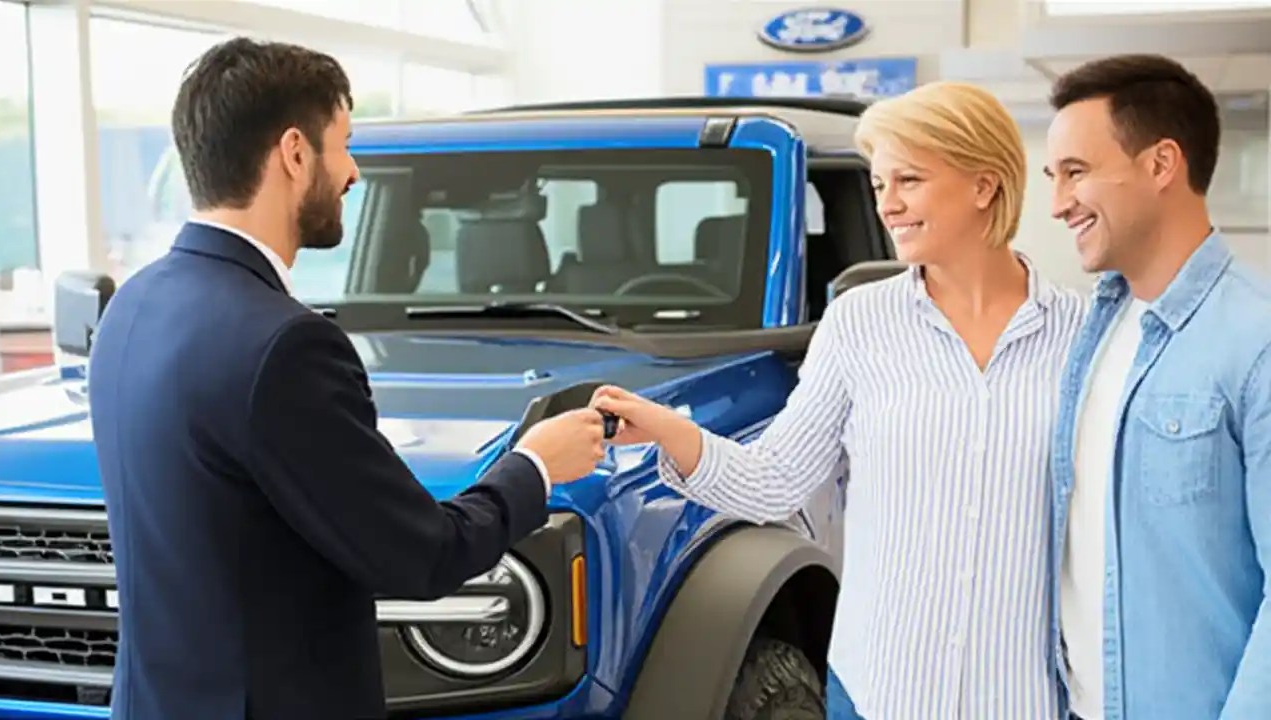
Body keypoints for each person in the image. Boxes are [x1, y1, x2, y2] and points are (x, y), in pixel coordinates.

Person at [86, 37, 609, 720]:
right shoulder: (285, 345)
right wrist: (536, 466)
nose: (354, 171)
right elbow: (421, 556)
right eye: (345, 144)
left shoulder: (132, 305)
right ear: (296, 153)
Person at [590, 81, 1086, 719]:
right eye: (881, 185)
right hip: (885, 688)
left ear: (983, 185)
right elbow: (775, 482)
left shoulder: (1081, 331)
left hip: (1027, 696)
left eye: (910, 180)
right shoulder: (858, 324)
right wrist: (666, 429)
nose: (890, 206)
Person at [1044, 54, 1271, 720]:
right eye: (1053, 177)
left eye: (1076, 173)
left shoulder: (1257, 341)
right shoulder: (1093, 331)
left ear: (1161, 164)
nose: (1057, 204)